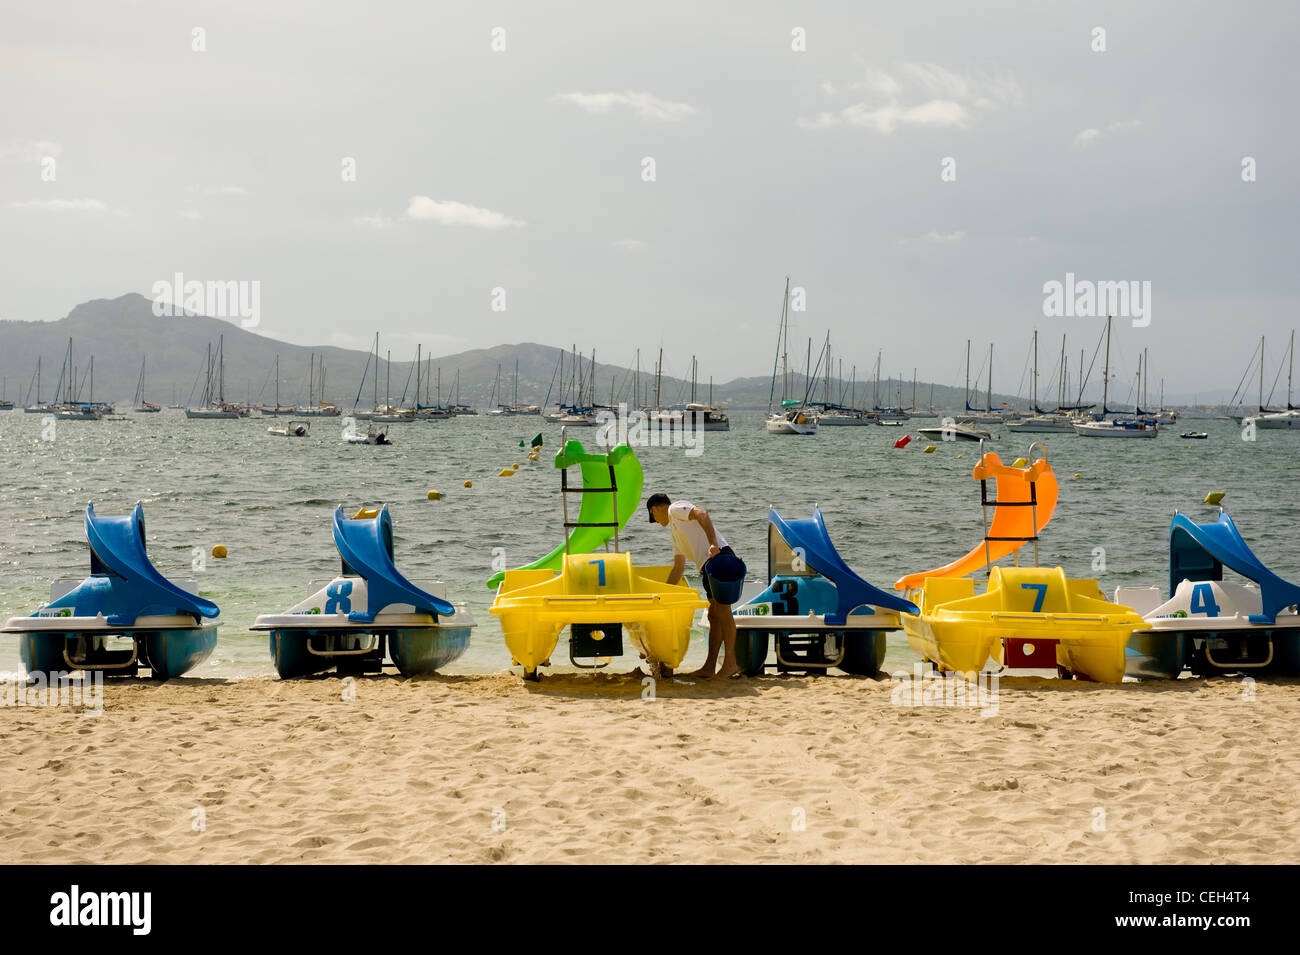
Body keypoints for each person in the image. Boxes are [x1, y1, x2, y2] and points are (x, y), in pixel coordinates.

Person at [646, 492, 745, 679]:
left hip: (719, 557)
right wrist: (663, 594)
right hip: (707, 568)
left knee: (724, 612)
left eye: (653, 516)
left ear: (656, 508)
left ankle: (731, 664)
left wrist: (713, 544)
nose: (656, 521)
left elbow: (702, 514)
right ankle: (709, 667)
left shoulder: (675, 508)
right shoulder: (676, 533)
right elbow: (678, 569)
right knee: (714, 615)